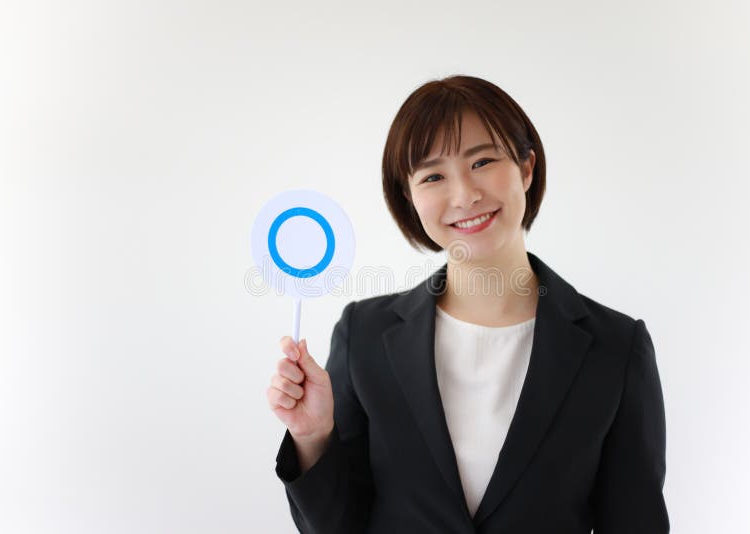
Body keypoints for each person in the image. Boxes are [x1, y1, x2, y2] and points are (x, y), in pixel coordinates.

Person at [268, 74, 670, 533]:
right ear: (410, 196)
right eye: (433, 175)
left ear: (526, 167)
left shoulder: (615, 347)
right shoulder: (365, 334)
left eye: (482, 161)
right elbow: (338, 527)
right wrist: (312, 436)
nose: (463, 195)